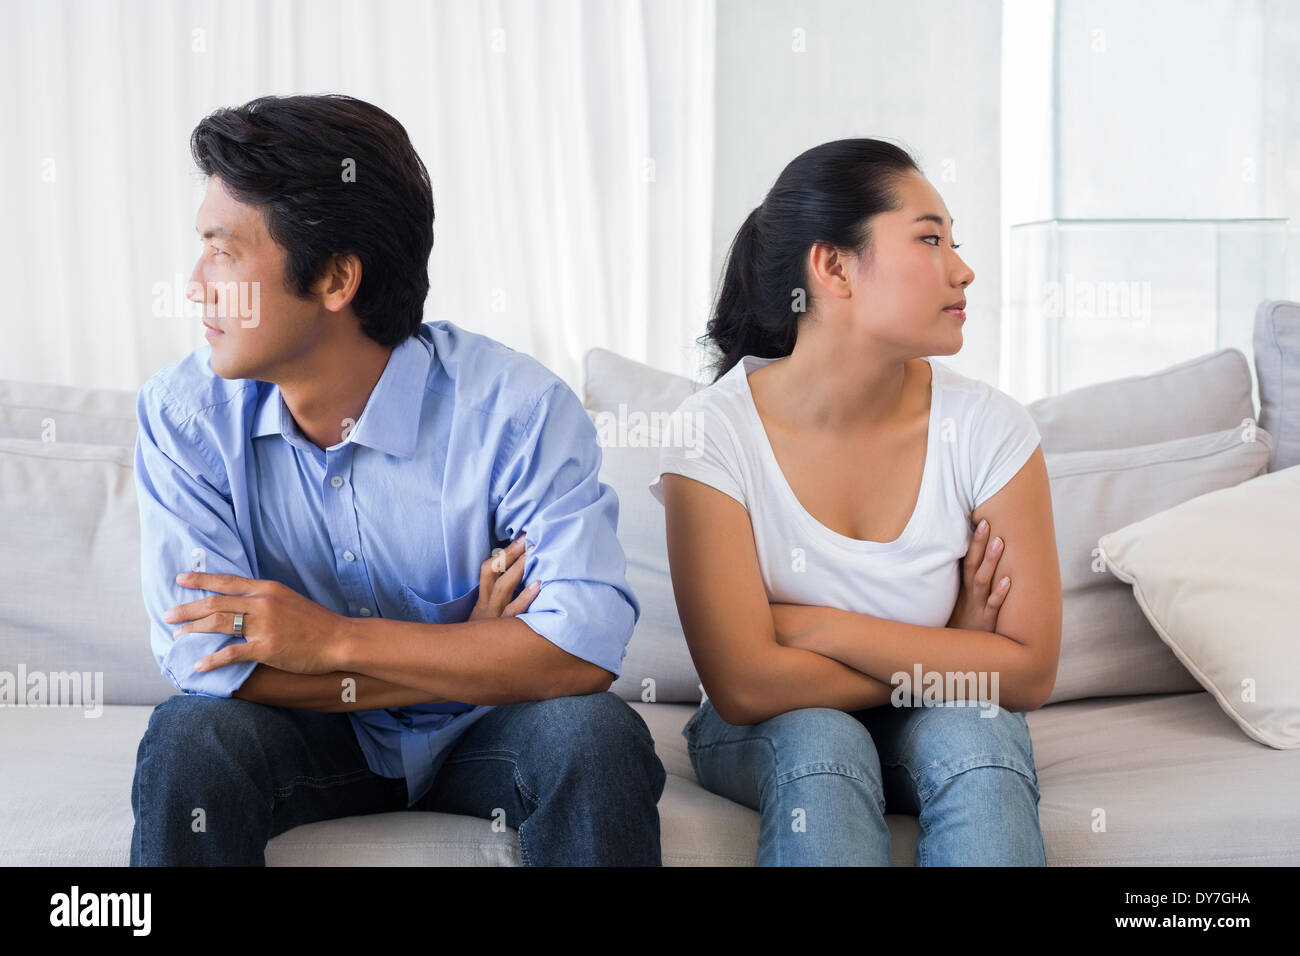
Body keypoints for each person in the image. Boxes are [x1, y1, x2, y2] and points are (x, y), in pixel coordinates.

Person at [130, 94, 665, 866]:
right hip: (315, 742)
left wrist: (334, 641)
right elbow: (211, 669)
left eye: (223, 251)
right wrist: (473, 653)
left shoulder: (516, 411)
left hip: (488, 736)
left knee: (594, 733)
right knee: (191, 735)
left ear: (336, 278)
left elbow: (581, 652)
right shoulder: (185, 416)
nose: (193, 284)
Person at [650, 138, 1062, 866]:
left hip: (941, 716)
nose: (963, 270)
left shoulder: (991, 428)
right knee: (822, 739)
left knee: (980, 736)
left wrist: (811, 628)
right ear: (833, 266)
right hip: (766, 729)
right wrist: (953, 651)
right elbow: (746, 687)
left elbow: (1027, 673)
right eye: (930, 239)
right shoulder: (712, 433)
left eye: (952, 243)